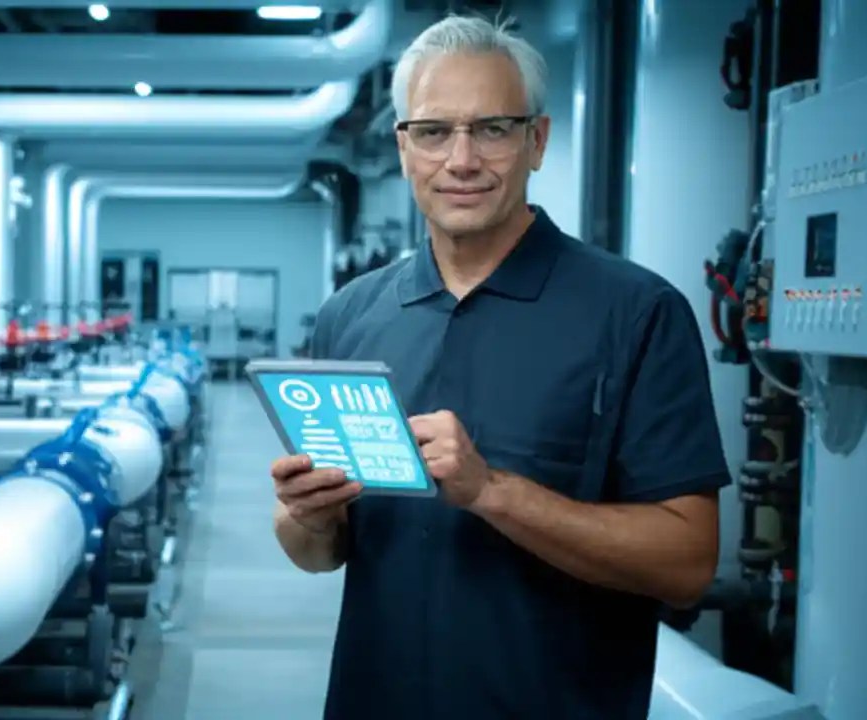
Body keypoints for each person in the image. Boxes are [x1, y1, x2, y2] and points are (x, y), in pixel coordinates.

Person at [271, 13, 730, 720]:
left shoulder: (637, 315)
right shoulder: (350, 316)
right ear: (402, 148)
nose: (460, 160)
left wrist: (492, 492)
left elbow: (688, 564)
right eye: (432, 132)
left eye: (492, 129)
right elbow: (320, 554)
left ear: (536, 141)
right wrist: (307, 517)